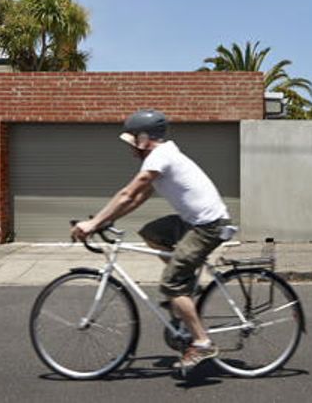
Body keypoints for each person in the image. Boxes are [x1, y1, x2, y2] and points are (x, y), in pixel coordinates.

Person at [71, 108, 232, 376]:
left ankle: (202, 343)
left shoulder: (160, 157)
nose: (131, 147)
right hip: (193, 222)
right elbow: (137, 198)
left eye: (133, 140)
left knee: (171, 283)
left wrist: (93, 223)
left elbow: (127, 194)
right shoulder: (160, 157)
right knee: (152, 233)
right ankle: (184, 288)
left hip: (208, 226)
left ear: (144, 138)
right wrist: (105, 220)